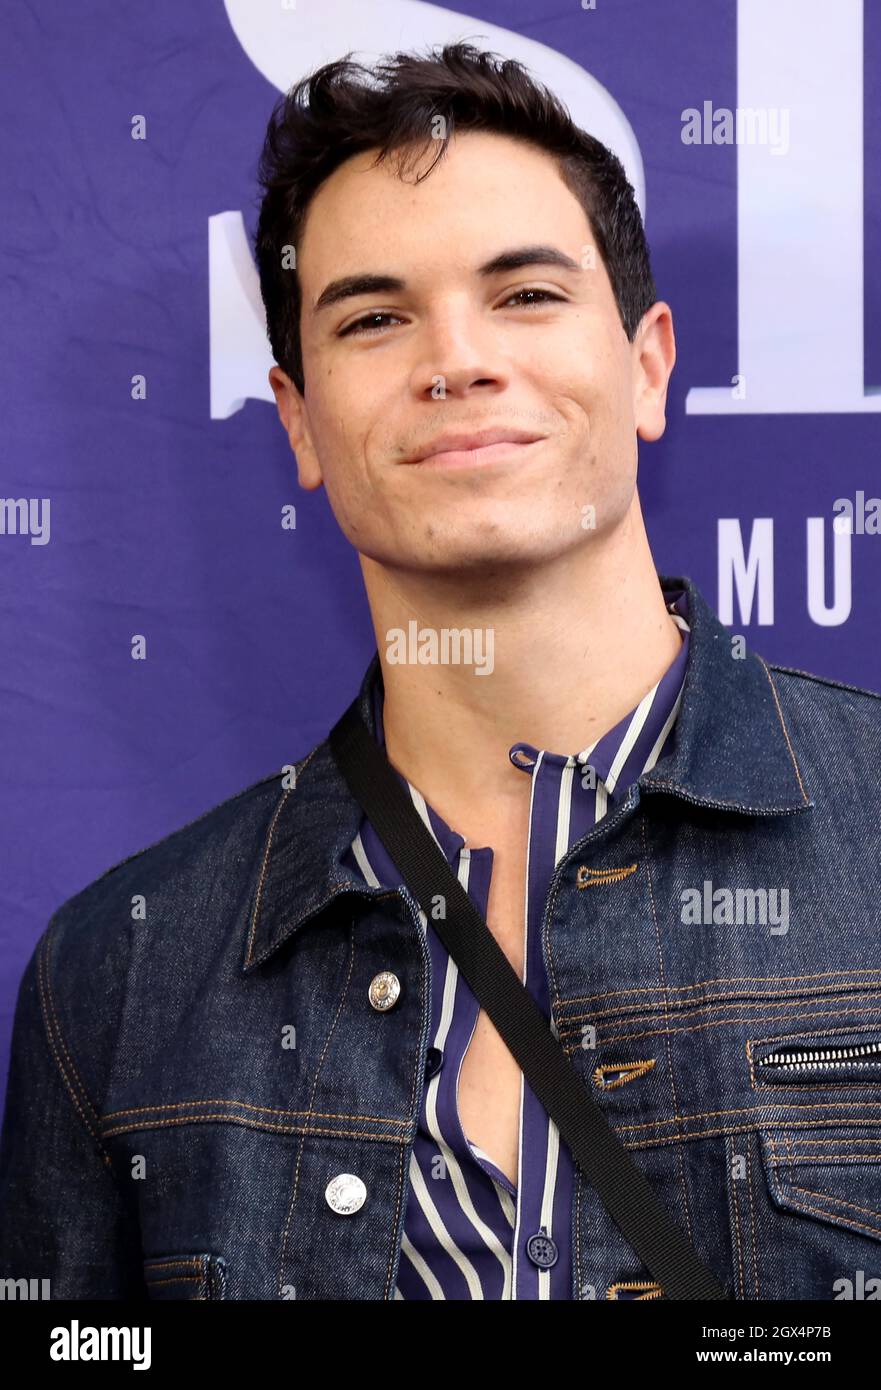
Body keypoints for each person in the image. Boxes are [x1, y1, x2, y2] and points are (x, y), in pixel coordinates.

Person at [1, 42, 880, 1303]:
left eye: (523, 295)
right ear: (299, 421)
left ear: (645, 364)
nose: (453, 359)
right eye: (372, 317)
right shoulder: (120, 975)